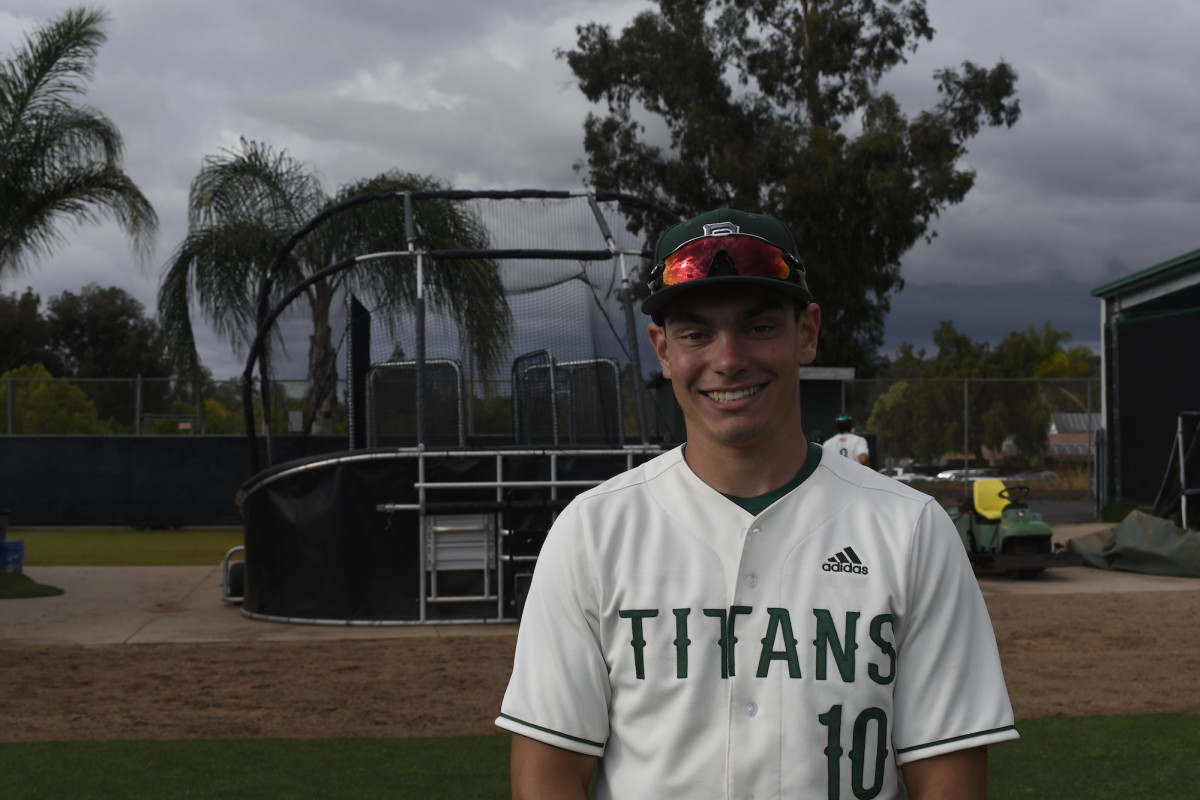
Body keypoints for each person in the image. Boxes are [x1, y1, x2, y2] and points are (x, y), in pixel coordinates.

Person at [496, 208, 1017, 799]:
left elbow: (947, 779)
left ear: (807, 333)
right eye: (695, 334)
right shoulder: (593, 530)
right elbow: (550, 770)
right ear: (662, 349)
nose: (728, 359)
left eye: (759, 326)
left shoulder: (912, 529)